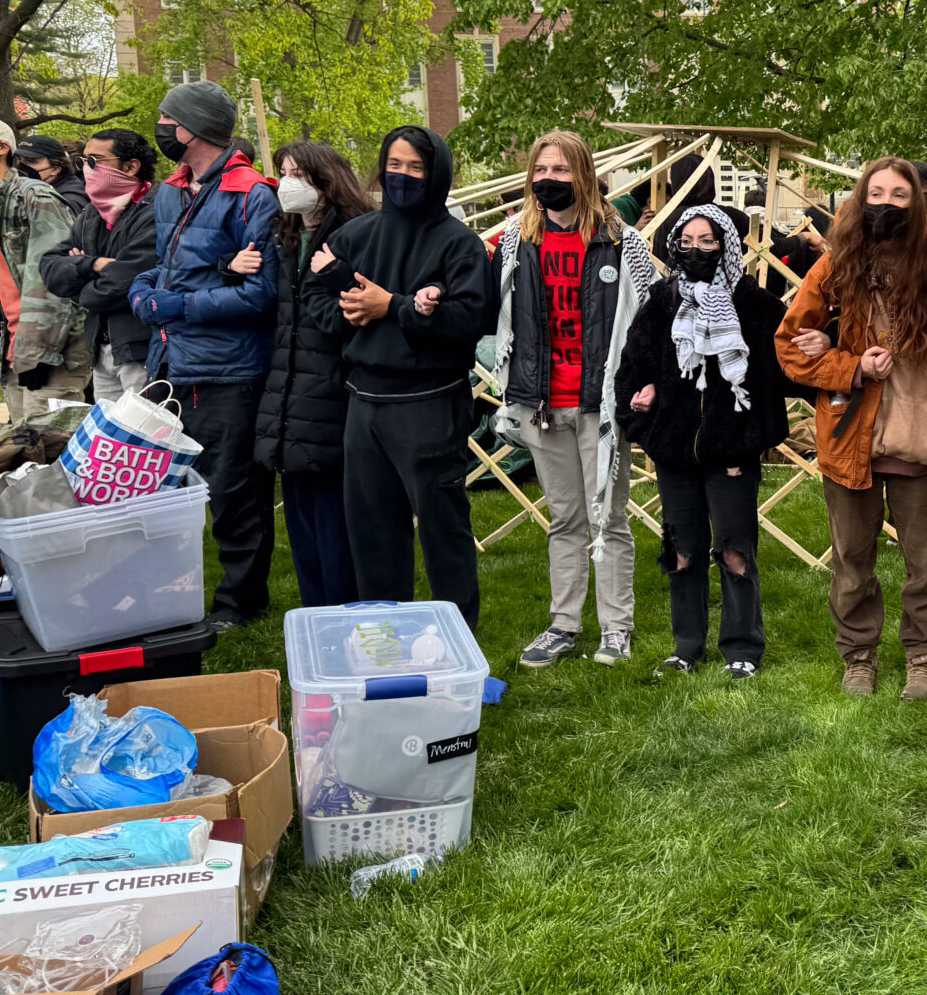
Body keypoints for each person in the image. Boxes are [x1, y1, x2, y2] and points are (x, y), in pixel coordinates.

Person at [775, 158, 927, 703]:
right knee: (851, 562)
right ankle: (859, 657)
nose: (886, 203)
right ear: (859, 197)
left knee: (925, 561)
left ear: (918, 202)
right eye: (877, 192)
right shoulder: (836, 266)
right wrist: (850, 365)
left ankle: (922, 656)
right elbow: (789, 347)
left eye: (899, 194)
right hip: (851, 436)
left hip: (921, 435)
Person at [306, 126, 494, 626]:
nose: (404, 176)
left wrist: (394, 307)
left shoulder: (459, 246)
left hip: (429, 403)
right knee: (372, 532)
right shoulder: (354, 235)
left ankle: (458, 641)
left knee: (442, 530)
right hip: (363, 404)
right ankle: (385, 639)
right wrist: (350, 311)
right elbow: (314, 296)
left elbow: (471, 321)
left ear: (437, 175)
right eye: (395, 166)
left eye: (416, 168)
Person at [492, 131, 657, 666]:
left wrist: (641, 383)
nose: (549, 180)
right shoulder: (518, 242)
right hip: (543, 402)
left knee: (607, 517)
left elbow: (653, 314)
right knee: (563, 519)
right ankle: (564, 624)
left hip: (600, 405)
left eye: (561, 171)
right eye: (541, 170)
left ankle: (616, 627)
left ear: (583, 175)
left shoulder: (621, 241)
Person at [615, 206, 799, 677]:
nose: (696, 249)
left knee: (735, 550)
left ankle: (741, 649)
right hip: (675, 447)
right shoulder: (662, 300)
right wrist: (645, 392)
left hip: (731, 446)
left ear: (725, 246)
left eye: (708, 241)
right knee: (682, 552)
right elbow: (635, 361)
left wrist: (755, 426)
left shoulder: (754, 305)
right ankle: (686, 646)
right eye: (687, 240)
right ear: (675, 245)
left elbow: (787, 363)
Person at [128, 81, 280, 629]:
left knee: (234, 490)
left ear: (192, 129)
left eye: (167, 119)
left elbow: (260, 295)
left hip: (228, 368)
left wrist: (176, 306)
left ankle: (242, 602)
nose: (160, 127)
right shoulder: (170, 190)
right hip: (169, 362)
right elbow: (166, 269)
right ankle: (176, 591)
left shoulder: (252, 194)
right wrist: (145, 292)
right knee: (166, 488)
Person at [248, 141, 370, 608]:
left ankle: (345, 614)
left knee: (334, 520)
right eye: (283, 172)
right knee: (301, 520)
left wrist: (336, 276)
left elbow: (351, 315)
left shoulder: (355, 235)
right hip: (289, 394)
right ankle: (317, 614)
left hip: (334, 394)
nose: (288, 183)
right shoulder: (287, 237)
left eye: (299, 173)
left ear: (326, 179)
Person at [0, 114, 90, 421]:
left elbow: (53, 280)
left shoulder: (35, 196)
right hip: (14, 349)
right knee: (21, 454)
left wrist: (40, 353)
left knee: (49, 454)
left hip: (53, 354)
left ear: (1, 148)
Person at [39, 129, 159, 402]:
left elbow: (123, 282)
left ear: (130, 167)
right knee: (109, 438)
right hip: (100, 346)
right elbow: (49, 268)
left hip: (139, 349)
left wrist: (80, 285)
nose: (86, 170)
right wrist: (91, 265)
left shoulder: (156, 211)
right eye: (82, 162)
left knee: (142, 436)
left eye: (94, 161)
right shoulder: (92, 213)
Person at [15, 136, 90, 216]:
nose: (21, 165)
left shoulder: (67, 202)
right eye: (18, 159)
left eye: (31, 161)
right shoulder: (37, 191)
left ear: (55, 169)